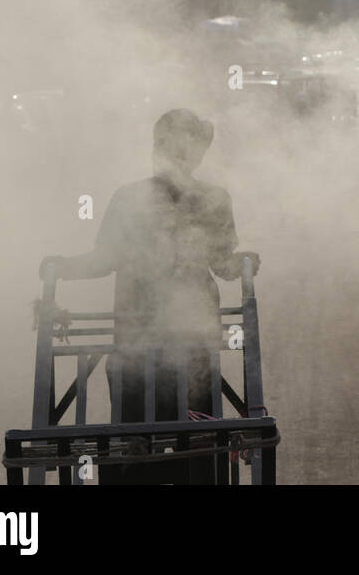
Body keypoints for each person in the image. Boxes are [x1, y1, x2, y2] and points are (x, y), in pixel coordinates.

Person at [42, 109, 257, 482]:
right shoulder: (210, 198)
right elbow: (223, 265)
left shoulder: (136, 198)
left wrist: (61, 268)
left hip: (148, 344)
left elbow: (104, 259)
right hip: (179, 345)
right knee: (197, 443)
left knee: (134, 444)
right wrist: (243, 264)